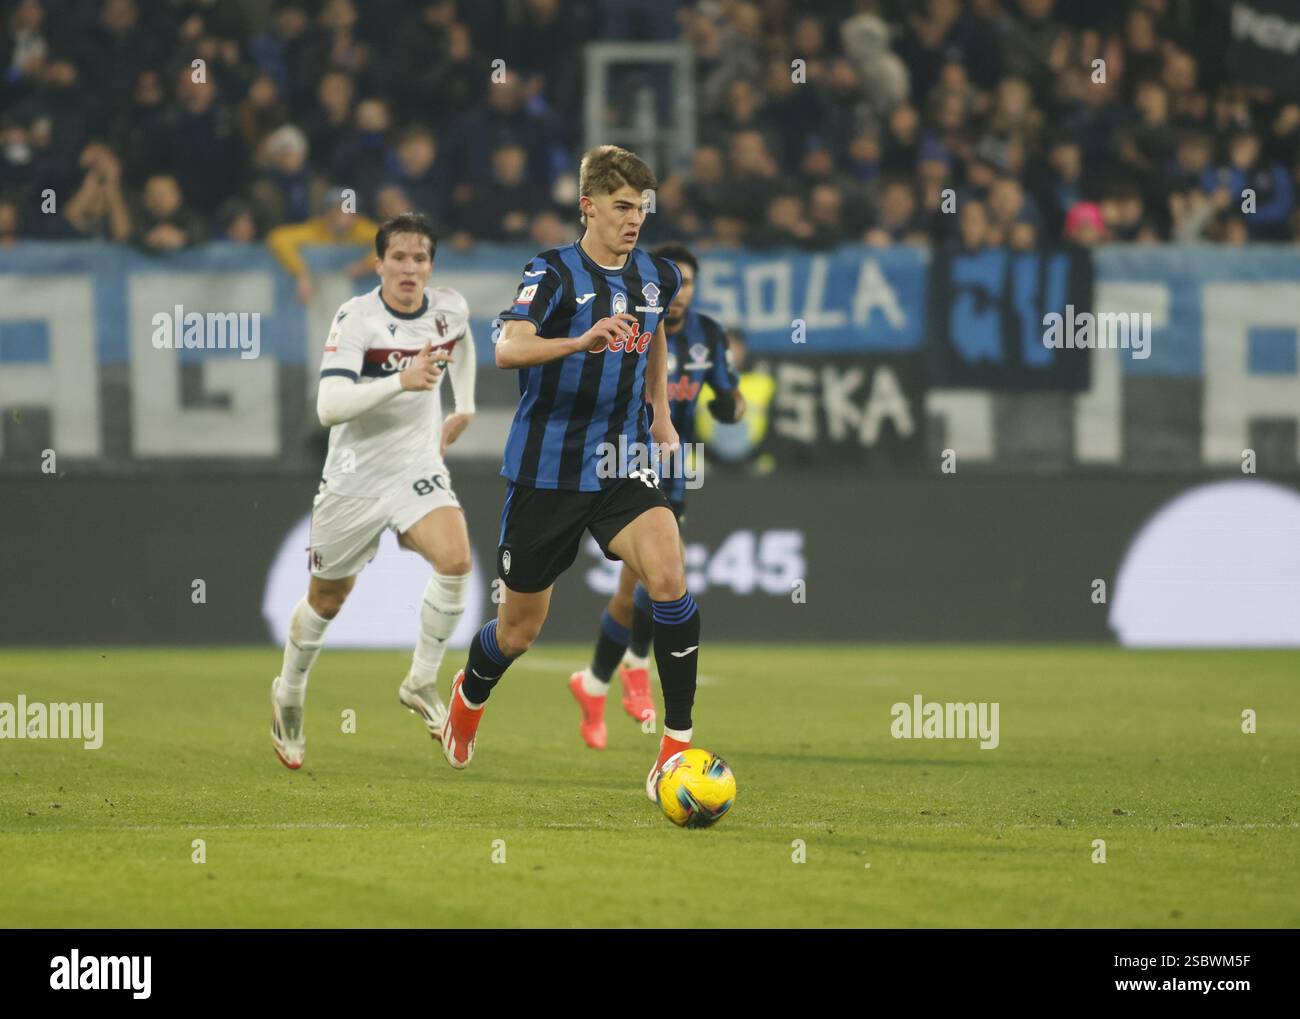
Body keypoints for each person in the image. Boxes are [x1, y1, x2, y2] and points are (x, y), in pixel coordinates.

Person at [439, 144, 704, 804]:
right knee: (518, 631)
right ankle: (470, 694)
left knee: (669, 574)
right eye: (621, 207)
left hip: (620, 460)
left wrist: (660, 409)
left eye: (642, 208)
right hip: (546, 470)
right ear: (588, 206)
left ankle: (675, 747)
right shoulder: (553, 272)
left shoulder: (658, 277)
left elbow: (655, 333)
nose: (634, 219)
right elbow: (508, 347)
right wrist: (579, 341)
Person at [269, 211, 476, 769]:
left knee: (456, 560)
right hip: (354, 475)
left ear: (430, 265)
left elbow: (464, 340)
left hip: (415, 465)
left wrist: (466, 404)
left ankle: (420, 681)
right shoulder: (356, 318)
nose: (410, 269)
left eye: (421, 258)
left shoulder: (449, 308)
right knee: (327, 599)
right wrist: (400, 381)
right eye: (400, 258)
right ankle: (288, 691)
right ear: (379, 263)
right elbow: (329, 407)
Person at [567, 242, 744, 750]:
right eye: (676, 282)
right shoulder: (633, 323)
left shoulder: (708, 335)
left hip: (674, 464)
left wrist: (733, 408)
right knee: (658, 577)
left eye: (689, 283)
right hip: (617, 458)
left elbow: (726, 400)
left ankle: (595, 682)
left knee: (636, 588)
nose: (682, 293)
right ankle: (634, 668)